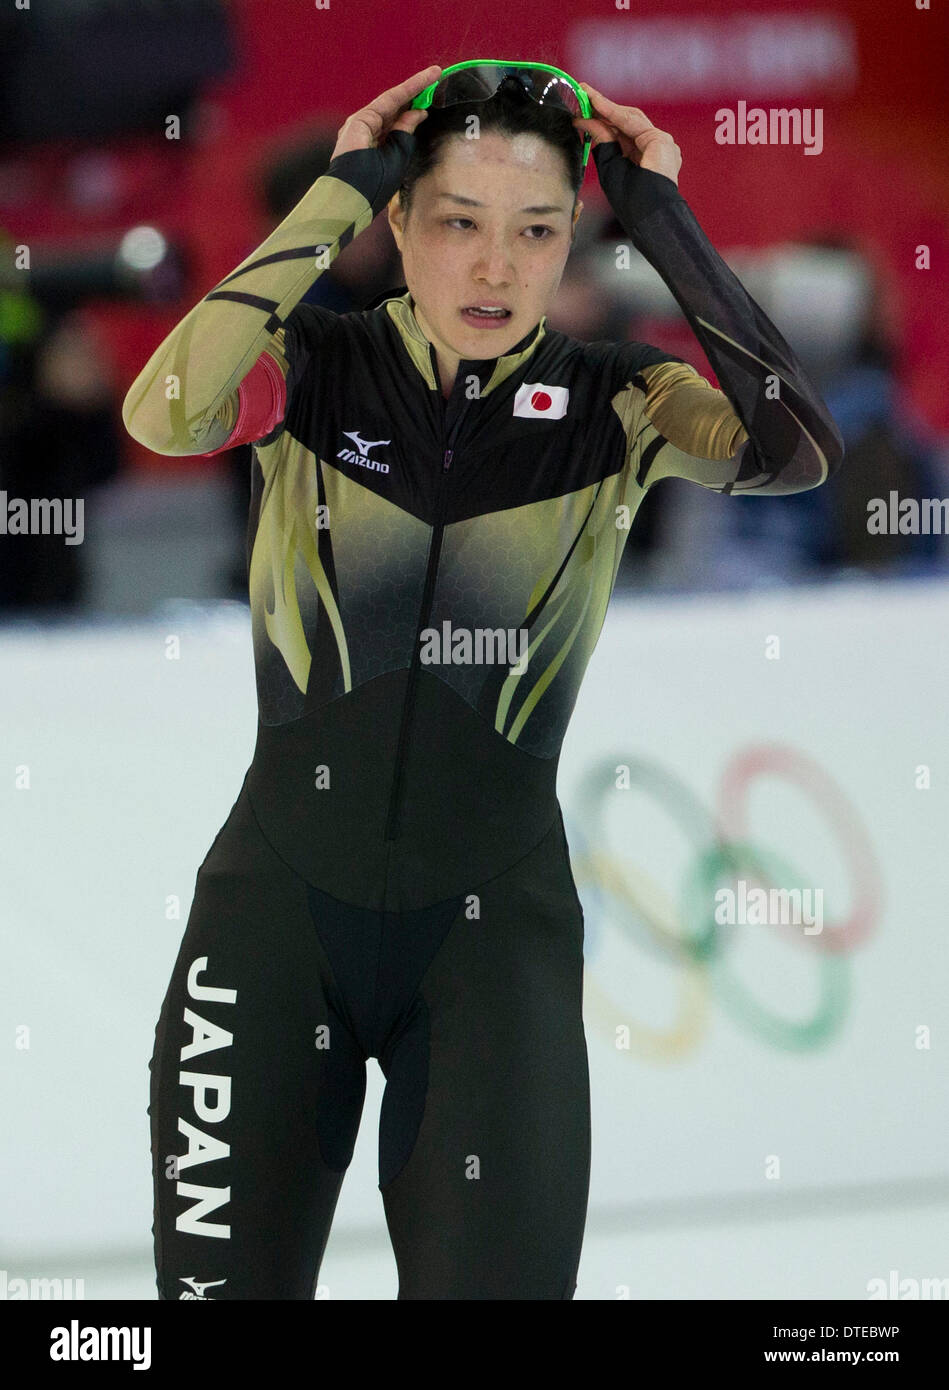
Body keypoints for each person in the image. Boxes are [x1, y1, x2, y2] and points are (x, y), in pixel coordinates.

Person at [121, 60, 844, 1301]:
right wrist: (333, 192)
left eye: (536, 231)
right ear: (398, 223)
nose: (496, 268)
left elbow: (790, 452)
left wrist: (663, 218)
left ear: (573, 236)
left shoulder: (621, 402)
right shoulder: (310, 370)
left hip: (490, 951)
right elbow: (168, 409)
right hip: (272, 926)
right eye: (457, 222)